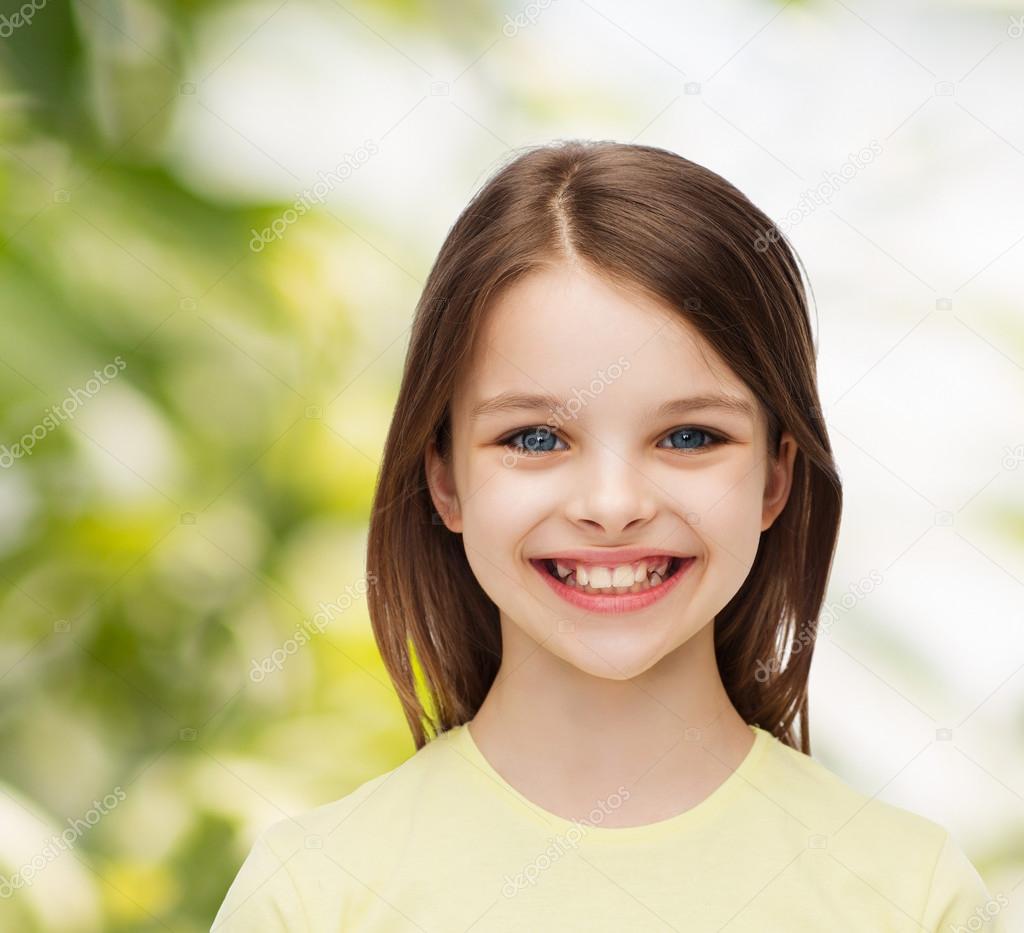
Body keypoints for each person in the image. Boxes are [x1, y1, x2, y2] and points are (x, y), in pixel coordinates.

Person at [212, 139, 1006, 931]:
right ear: (445, 478)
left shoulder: (911, 894)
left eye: (690, 436)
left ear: (776, 476)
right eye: (534, 438)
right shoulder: (310, 896)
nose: (613, 504)